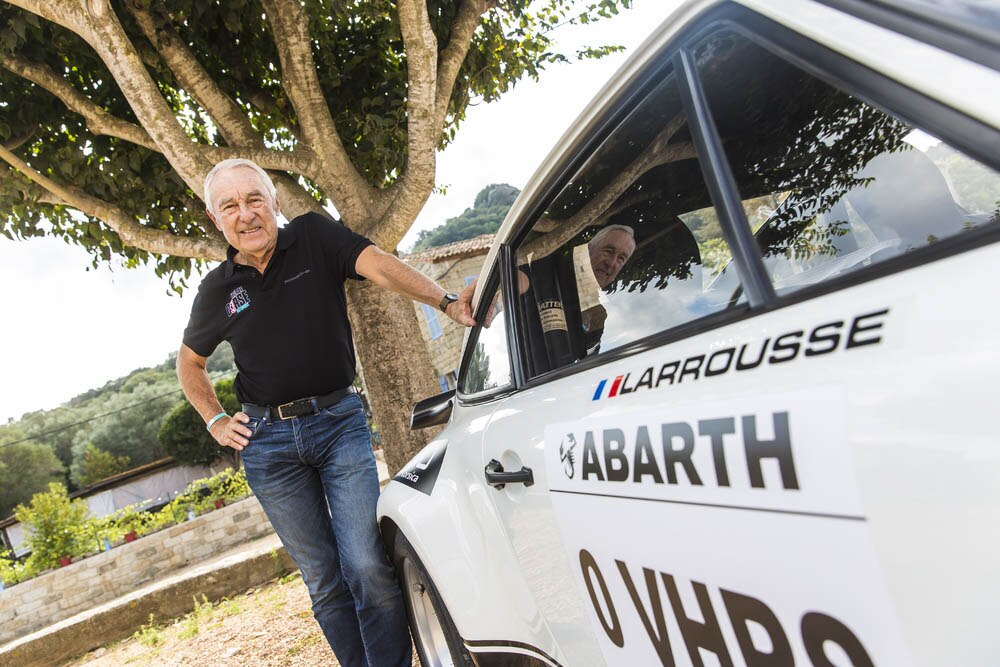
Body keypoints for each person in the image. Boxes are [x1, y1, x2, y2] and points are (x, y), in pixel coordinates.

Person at [176, 158, 475, 667]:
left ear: (274, 202)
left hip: (338, 424)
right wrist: (216, 420)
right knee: (324, 581)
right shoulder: (219, 290)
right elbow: (190, 364)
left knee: (365, 565)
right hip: (268, 445)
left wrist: (446, 302)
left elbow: (379, 264)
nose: (245, 215)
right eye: (230, 206)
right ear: (215, 219)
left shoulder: (314, 235)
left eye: (254, 199)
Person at [519, 224, 635, 370]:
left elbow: (588, 365)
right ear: (588, 249)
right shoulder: (549, 267)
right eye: (608, 251)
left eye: (621, 259)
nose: (611, 263)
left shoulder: (597, 315)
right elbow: (513, 284)